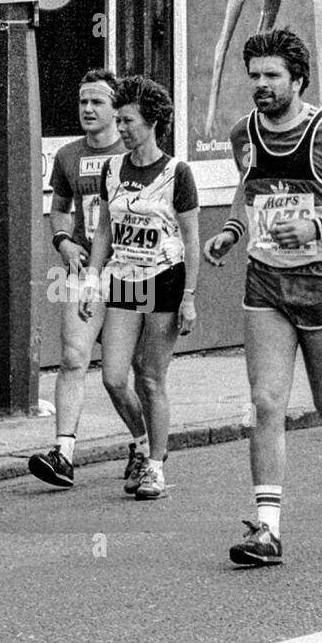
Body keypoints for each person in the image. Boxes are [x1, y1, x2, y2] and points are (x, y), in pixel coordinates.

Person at [203, 27, 322, 565]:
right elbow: (249, 188)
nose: (260, 85)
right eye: (254, 76)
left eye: (271, 76)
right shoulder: (245, 131)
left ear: (298, 80)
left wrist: (318, 225)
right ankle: (266, 529)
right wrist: (232, 232)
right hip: (265, 278)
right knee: (266, 402)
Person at [79, 76, 199, 500]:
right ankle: (143, 441)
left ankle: (155, 468)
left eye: (128, 121)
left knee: (150, 377)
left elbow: (191, 239)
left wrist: (189, 298)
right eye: (120, 120)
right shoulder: (112, 169)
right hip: (126, 278)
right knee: (114, 376)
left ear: (152, 123)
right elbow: (104, 231)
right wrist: (92, 279)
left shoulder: (176, 173)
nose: (122, 128)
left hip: (164, 278)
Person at [28, 70, 148, 490]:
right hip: (80, 270)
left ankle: (143, 443)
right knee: (73, 357)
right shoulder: (67, 156)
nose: (88, 109)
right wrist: (62, 241)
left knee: (125, 374)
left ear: (118, 110)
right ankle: (64, 454)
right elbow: (59, 208)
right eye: (82, 102)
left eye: (97, 102)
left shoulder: (134, 151)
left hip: (133, 270)